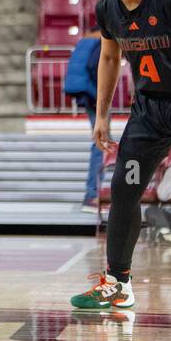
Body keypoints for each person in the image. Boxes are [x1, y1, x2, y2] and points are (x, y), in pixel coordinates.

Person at [70, 0, 171, 311]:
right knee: (125, 186)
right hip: (148, 110)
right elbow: (108, 60)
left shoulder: (169, 0)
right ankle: (117, 284)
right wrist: (102, 115)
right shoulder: (107, 9)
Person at [64, 27, 103, 211]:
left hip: (83, 93)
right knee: (100, 142)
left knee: (99, 141)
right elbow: (96, 67)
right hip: (94, 96)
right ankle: (92, 195)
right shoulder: (100, 42)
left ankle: (92, 194)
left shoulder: (84, 41)